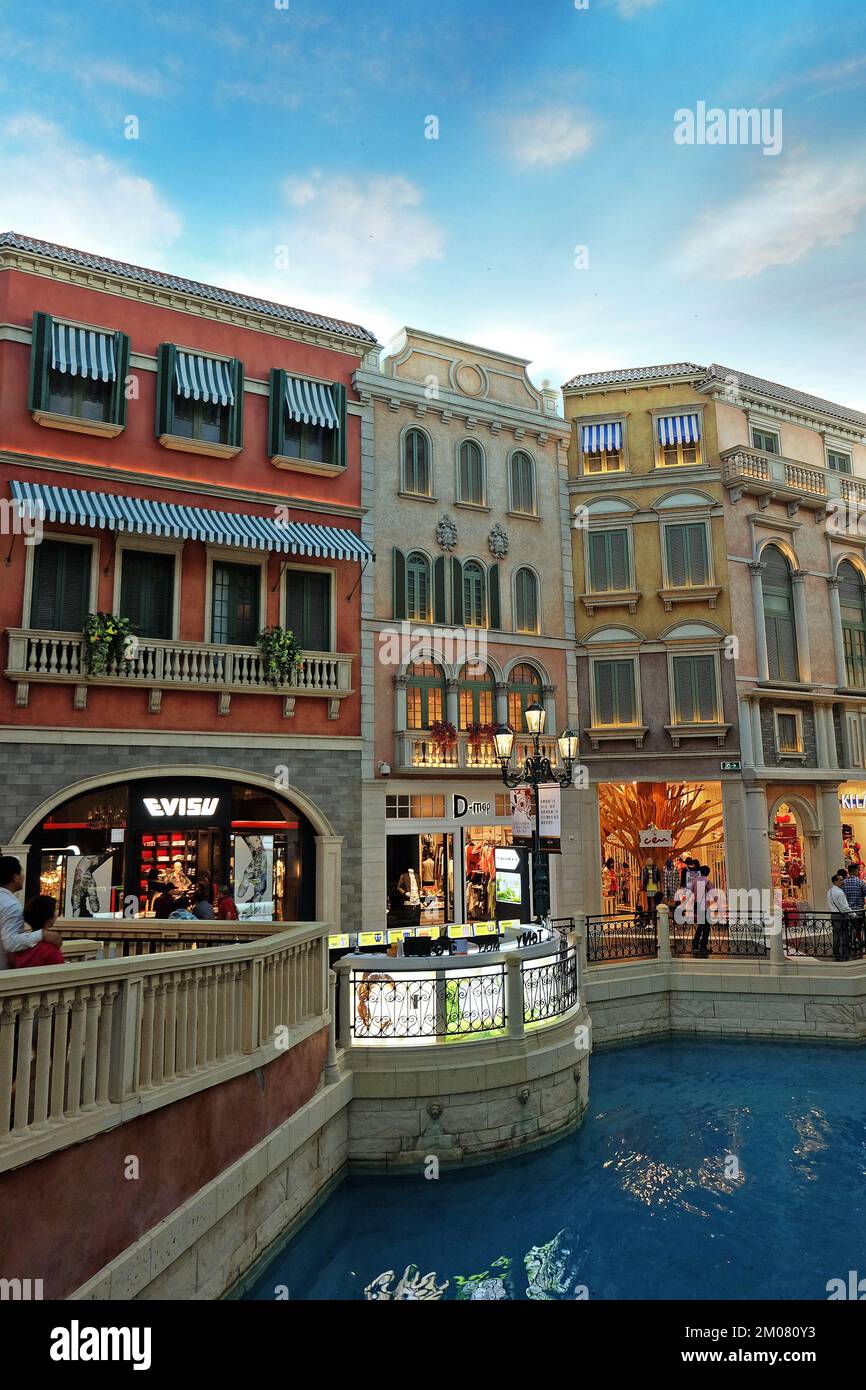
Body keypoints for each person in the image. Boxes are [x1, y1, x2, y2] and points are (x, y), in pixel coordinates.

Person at [0, 855, 63, 969]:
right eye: (22, 873)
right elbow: (11, 943)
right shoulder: (11, 905)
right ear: (15, 877)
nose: (23, 876)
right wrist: (42, 934)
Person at [11, 895, 65, 968]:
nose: (57, 912)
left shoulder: (21, 943)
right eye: (55, 909)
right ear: (48, 915)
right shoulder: (49, 948)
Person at [828, 870, 855, 962]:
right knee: (843, 935)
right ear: (835, 882)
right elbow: (845, 907)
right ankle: (844, 953)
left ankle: (836, 953)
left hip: (833, 915)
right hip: (840, 916)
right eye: (841, 880)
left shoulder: (829, 891)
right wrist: (854, 914)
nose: (843, 882)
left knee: (836, 935)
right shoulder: (840, 893)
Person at [691, 865, 715, 957]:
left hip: (697, 906)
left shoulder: (695, 881)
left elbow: (692, 891)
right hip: (705, 906)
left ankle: (695, 944)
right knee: (706, 927)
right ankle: (703, 946)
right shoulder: (708, 882)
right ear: (708, 873)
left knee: (701, 926)